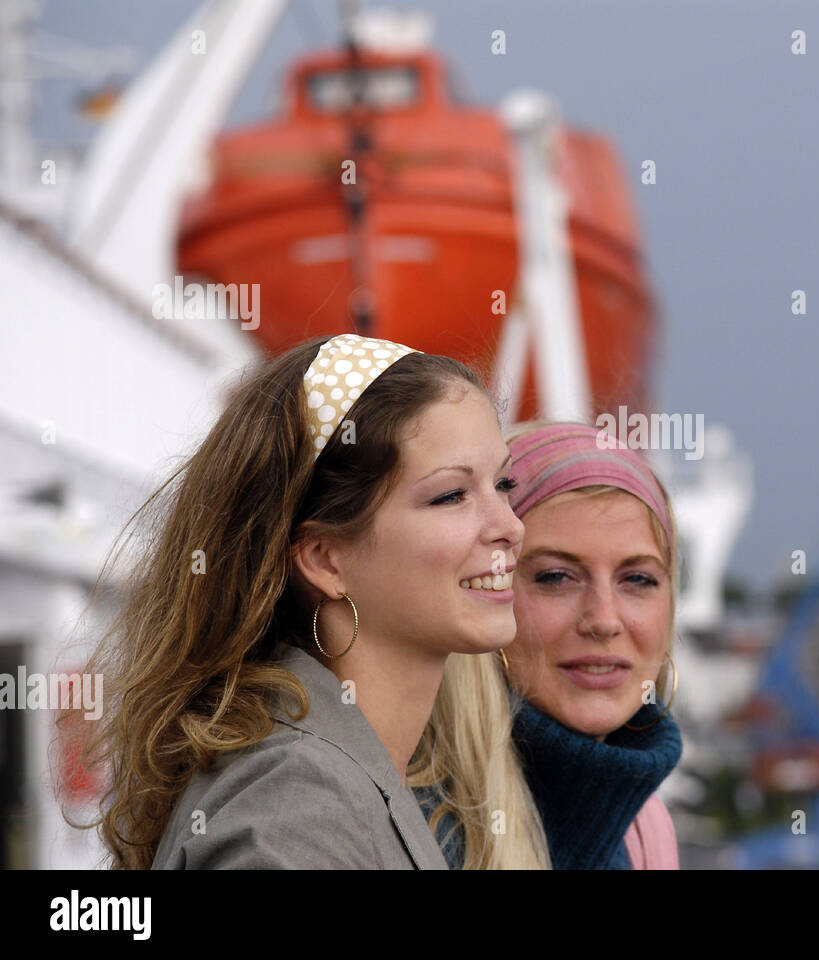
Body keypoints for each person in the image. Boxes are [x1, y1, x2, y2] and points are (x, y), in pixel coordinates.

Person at [70, 333, 548, 869]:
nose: (510, 525)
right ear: (324, 559)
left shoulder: (327, 774)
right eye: (451, 495)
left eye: (503, 483)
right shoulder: (297, 809)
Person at [416, 421, 682, 869]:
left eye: (638, 579)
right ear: (484, 589)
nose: (604, 620)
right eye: (556, 577)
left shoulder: (645, 826)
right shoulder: (407, 827)